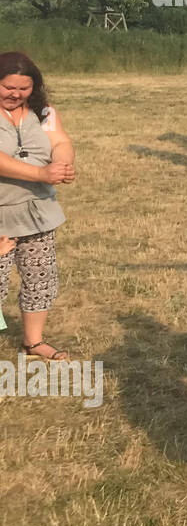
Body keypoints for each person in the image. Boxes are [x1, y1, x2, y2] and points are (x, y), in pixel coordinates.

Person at [0, 52, 76, 361]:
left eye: (24, 88)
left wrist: (63, 164)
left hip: (38, 212)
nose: (16, 95)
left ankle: (33, 342)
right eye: (7, 87)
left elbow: (61, 142)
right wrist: (40, 173)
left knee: (40, 280)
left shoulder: (44, 112)